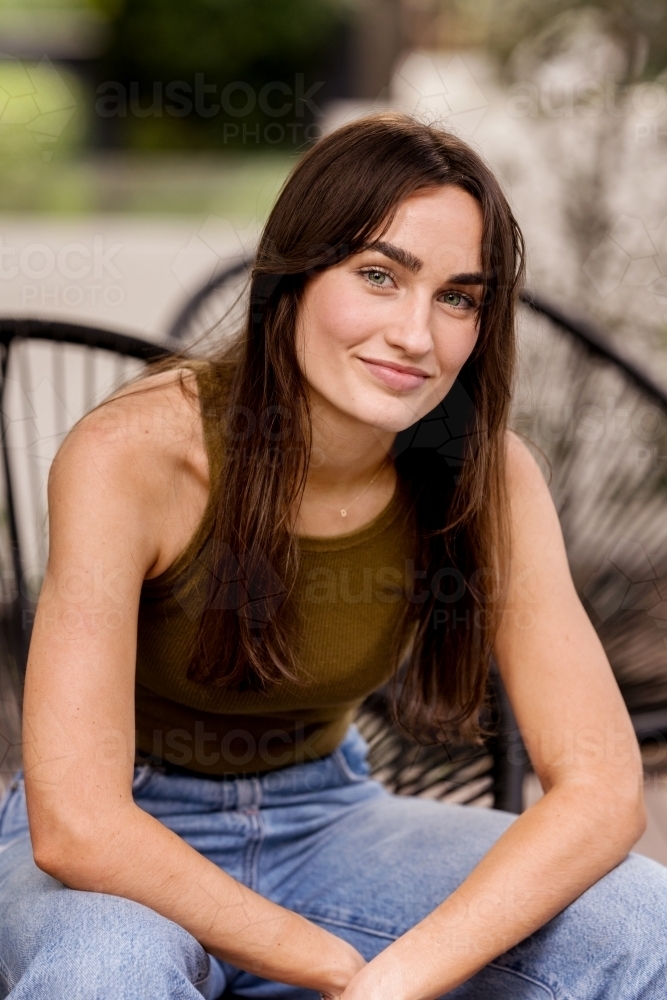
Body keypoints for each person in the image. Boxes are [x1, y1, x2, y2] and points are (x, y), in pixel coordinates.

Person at [0, 113, 665, 1000]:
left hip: (326, 819)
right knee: (108, 968)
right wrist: (322, 960)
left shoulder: (487, 476)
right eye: (379, 277)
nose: (415, 336)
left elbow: (601, 789)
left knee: (639, 918)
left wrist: (399, 979)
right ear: (294, 277)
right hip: (126, 832)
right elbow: (78, 825)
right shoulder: (138, 453)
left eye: (457, 297)